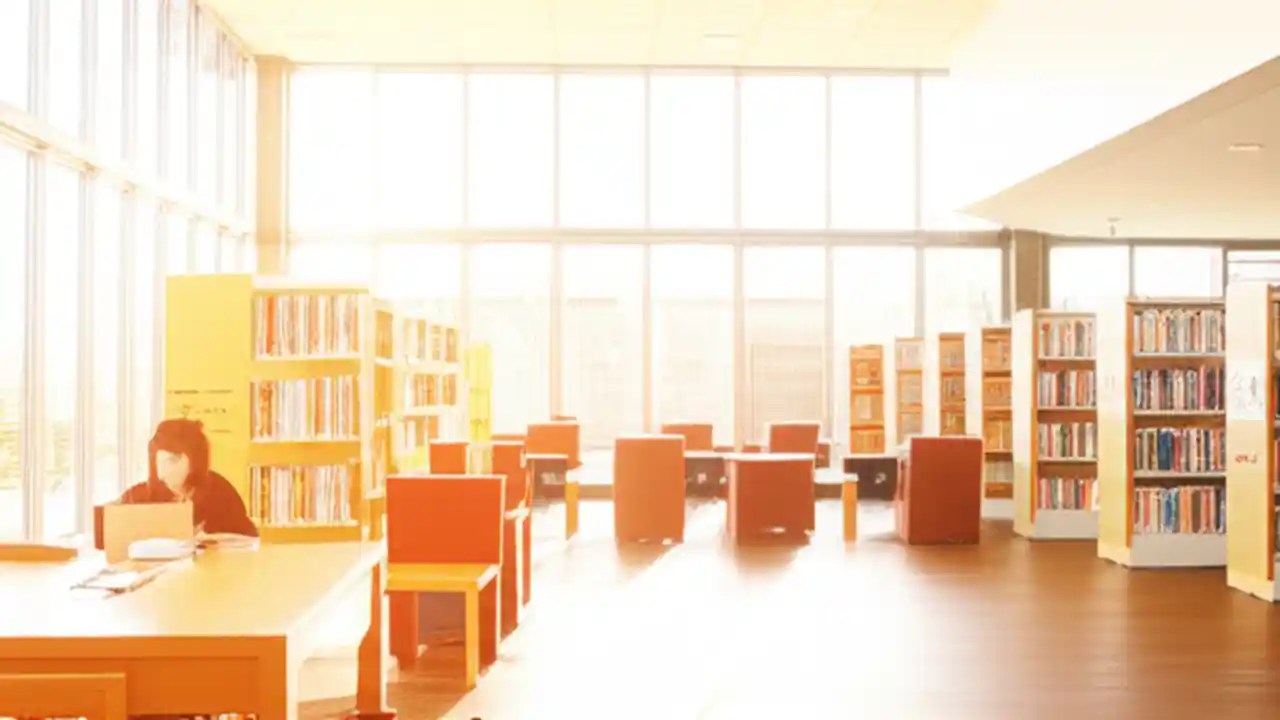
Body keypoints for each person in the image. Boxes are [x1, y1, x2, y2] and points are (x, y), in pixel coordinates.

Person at [118, 418, 258, 537]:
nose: (163, 472)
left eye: (172, 461)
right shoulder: (137, 498)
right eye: (158, 462)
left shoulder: (220, 493)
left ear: (195, 460)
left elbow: (248, 540)